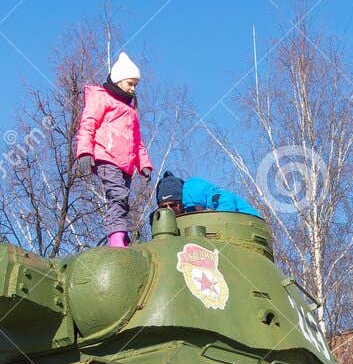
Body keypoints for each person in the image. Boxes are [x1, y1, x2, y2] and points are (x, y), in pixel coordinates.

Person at [75, 52, 152, 247]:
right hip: (107, 157)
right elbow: (88, 124)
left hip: (125, 165)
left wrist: (143, 164)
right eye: (130, 84)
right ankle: (117, 240)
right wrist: (85, 152)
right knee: (117, 196)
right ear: (118, 81)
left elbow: (137, 141)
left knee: (122, 201)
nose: (133, 88)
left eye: (135, 85)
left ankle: (121, 236)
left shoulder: (130, 111)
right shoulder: (102, 99)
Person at [155, 171, 261, 218]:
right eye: (163, 207)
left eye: (173, 205)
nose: (169, 209)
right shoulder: (195, 203)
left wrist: (217, 218)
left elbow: (227, 201)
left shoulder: (215, 197)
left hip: (249, 221)